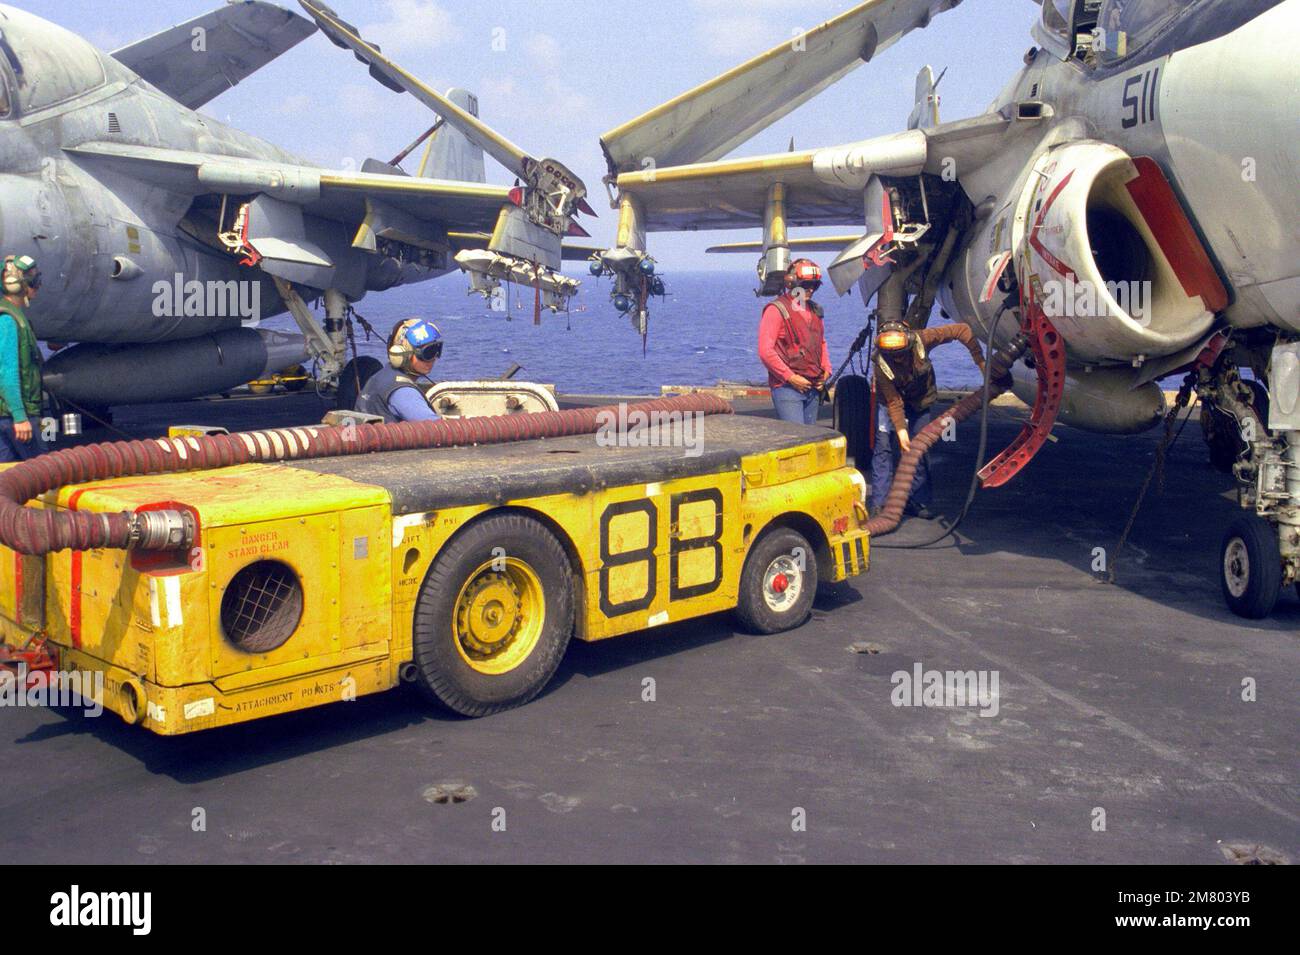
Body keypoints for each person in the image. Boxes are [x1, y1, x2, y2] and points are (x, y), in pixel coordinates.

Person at [870, 320, 989, 519]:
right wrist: (901, 432)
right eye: (893, 356)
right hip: (890, 402)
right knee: (884, 449)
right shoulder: (880, 364)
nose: (898, 359)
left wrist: (981, 362)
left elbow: (962, 330)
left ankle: (918, 500)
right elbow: (893, 401)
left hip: (920, 400)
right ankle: (879, 505)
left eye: (900, 354)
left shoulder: (922, 339)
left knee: (920, 448)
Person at [759, 259, 833, 425]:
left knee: (809, 439)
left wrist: (826, 369)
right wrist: (790, 377)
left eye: (815, 285)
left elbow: (821, 342)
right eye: (806, 285)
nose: (811, 289)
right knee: (796, 440)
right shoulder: (776, 310)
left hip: (813, 386)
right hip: (787, 389)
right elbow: (765, 351)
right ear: (791, 283)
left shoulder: (815, 311)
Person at [0, 254, 47, 462]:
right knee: (42, 476)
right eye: (32, 280)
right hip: (16, 417)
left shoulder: (14, 316)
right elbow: (7, 371)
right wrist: (20, 417)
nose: (37, 285)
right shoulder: (9, 320)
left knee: (7, 479)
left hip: (7, 416)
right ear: (15, 286)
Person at [354, 318, 444, 423]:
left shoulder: (383, 376)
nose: (434, 358)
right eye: (428, 353)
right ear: (404, 355)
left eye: (436, 350)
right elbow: (437, 428)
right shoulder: (403, 392)